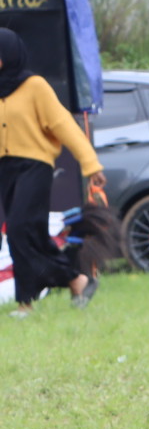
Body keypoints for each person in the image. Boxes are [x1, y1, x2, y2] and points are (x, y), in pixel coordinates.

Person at [0, 30, 103, 311]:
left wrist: (90, 164)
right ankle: (29, 302)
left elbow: (64, 126)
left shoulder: (35, 86)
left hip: (34, 166)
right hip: (6, 170)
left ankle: (74, 279)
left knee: (21, 230)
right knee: (27, 236)